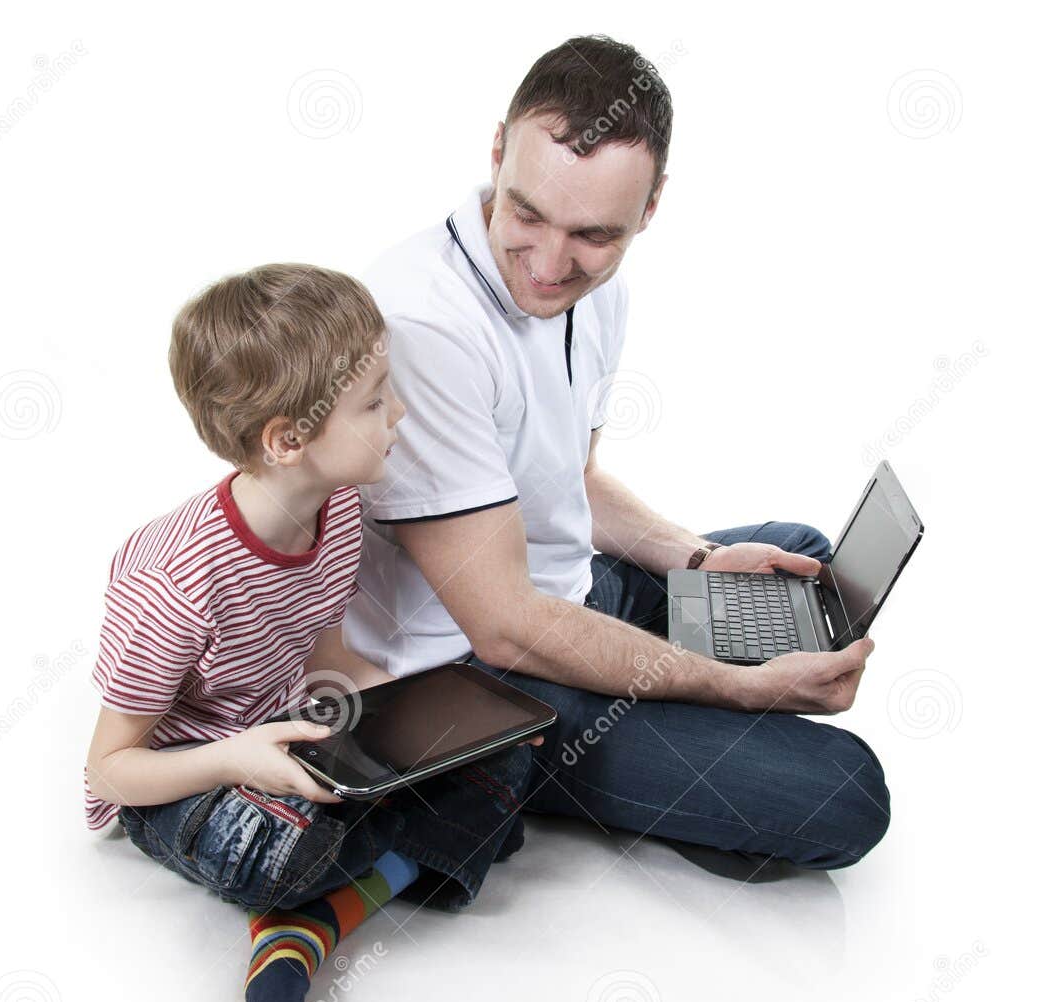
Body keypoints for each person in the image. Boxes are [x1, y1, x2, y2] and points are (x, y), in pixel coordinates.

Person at [342, 36, 890, 876]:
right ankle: (591, 768)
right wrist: (734, 685)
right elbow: (504, 624)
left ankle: (691, 726)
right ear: (497, 151)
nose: (549, 263)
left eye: (593, 234)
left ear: (651, 206)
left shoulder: (598, 294)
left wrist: (698, 558)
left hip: (564, 593)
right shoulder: (424, 325)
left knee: (803, 561)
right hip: (478, 672)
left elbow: (575, 481)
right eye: (527, 214)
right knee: (845, 793)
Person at [83, 263, 538, 1002]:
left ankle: (310, 921)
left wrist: (431, 718)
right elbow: (109, 768)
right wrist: (237, 760)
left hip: (287, 732)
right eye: (375, 399)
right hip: (187, 773)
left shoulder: (339, 510)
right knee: (279, 851)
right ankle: (371, 872)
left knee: (506, 751)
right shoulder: (175, 585)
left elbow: (328, 661)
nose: (399, 411)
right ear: (288, 439)